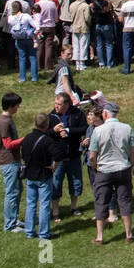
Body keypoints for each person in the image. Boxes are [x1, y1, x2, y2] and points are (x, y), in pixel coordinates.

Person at [89, 101, 134, 244]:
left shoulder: (98, 131)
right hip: (123, 168)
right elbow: (133, 150)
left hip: (104, 170)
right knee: (125, 200)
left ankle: (100, 236)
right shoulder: (127, 128)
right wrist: (131, 164)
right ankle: (128, 234)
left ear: (105, 114)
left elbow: (92, 155)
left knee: (101, 201)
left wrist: (95, 167)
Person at [20, 112, 64, 241]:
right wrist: (54, 166)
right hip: (44, 176)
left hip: (30, 176)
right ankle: (44, 233)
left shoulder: (27, 138)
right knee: (44, 205)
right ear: (47, 124)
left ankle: (29, 231)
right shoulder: (47, 141)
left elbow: (23, 155)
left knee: (31, 204)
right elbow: (59, 155)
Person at [48, 91, 87, 221]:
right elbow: (45, 134)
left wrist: (69, 131)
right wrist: (55, 131)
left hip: (74, 154)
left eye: (59, 104)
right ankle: (55, 211)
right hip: (58, 157)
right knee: (56, 183)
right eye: (55, 103)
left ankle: (74, 207)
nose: (56, 106)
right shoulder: (51, 116)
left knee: (75, 182)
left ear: (66, 104)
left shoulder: (77, 114)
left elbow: (85, 129)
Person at [0, 92, 26, 233]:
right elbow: (7, 144)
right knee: (12, 192)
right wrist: (25, 139)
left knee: (18, 190)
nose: (18, 108)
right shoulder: (4, 122)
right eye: (16, 105)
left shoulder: (8, 119)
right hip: (8, 162)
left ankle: (13, 219)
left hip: (13, 160)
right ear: (10, 106)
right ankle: (9, 224)